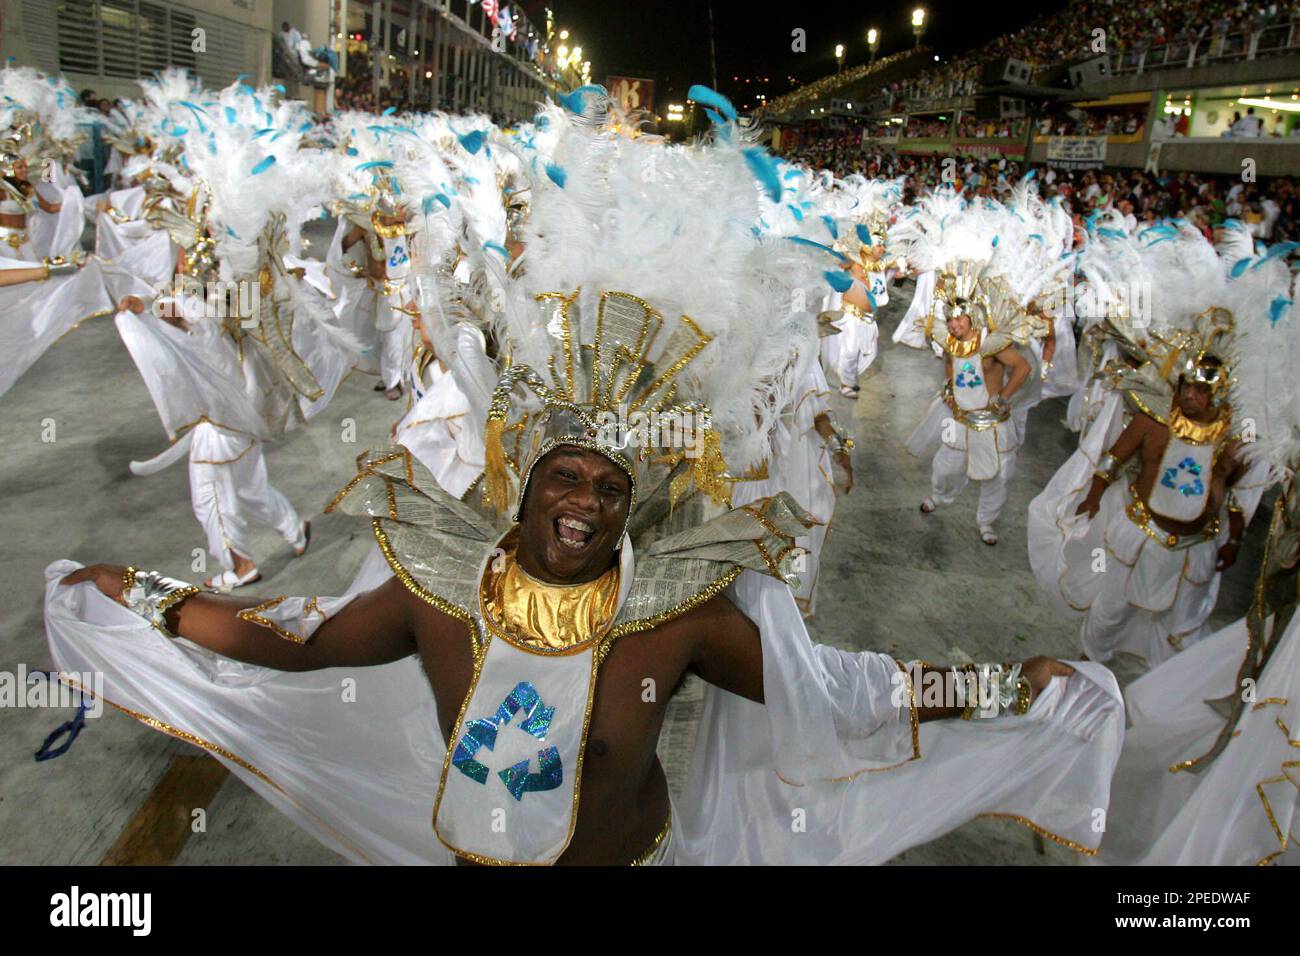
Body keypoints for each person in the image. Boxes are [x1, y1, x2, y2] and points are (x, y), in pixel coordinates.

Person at [47, 90, 1124, 866]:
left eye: (611, 488)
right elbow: (291, 643)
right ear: (520, 481)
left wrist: (1000, 685)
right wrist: (142, 597)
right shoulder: (436, 589)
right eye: (564, 477)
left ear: (637, 500)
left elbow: (839, 692)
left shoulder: (672, 616)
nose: (585, 505)